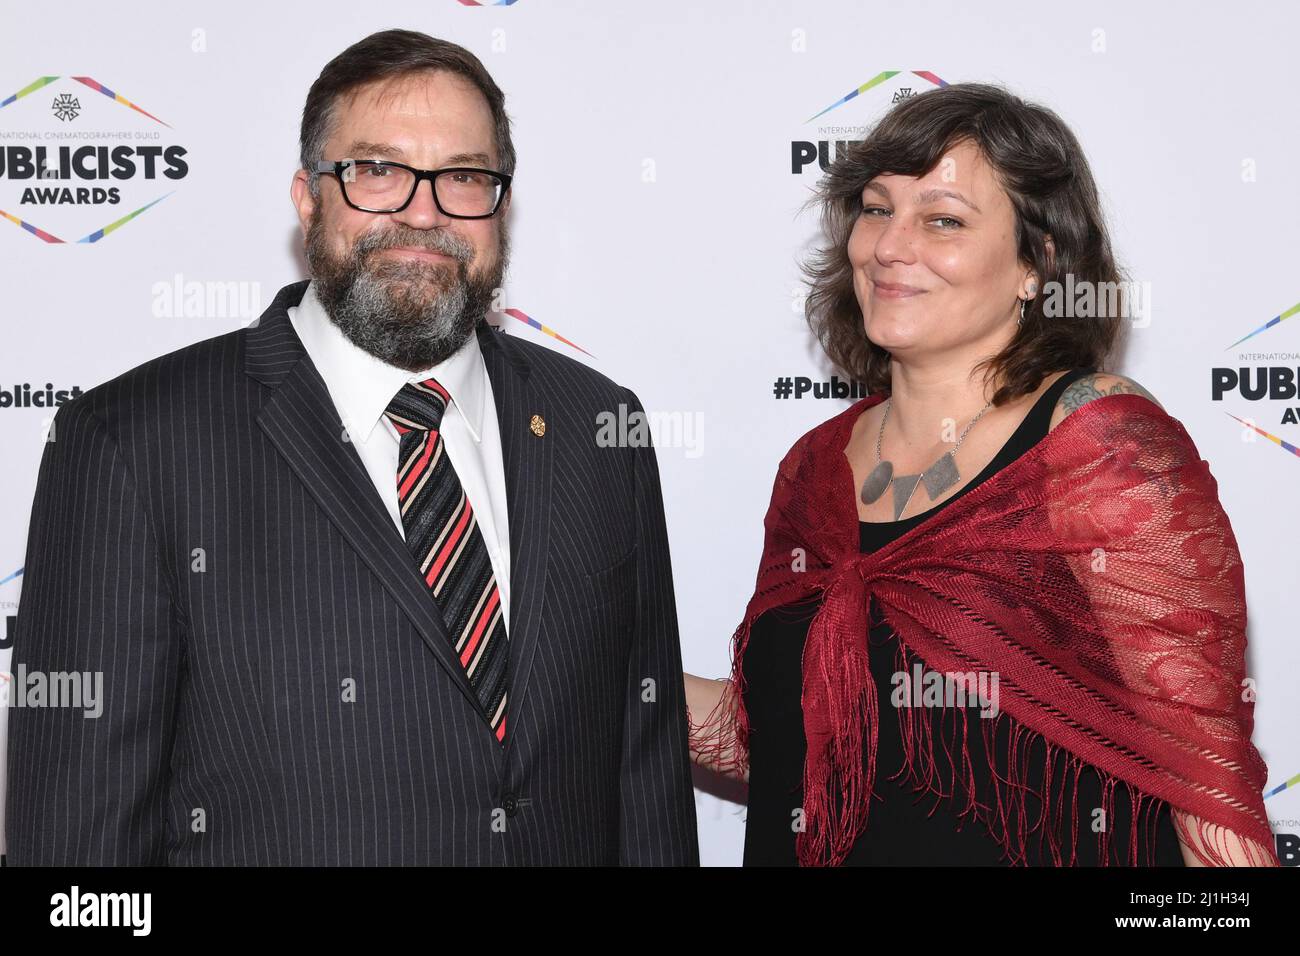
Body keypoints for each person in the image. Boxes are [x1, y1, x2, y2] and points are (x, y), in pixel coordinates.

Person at [6, 29, 698, 866]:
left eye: (464, 176)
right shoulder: (131, 444)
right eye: (376, 170)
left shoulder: (600, 425)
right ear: (307, 197)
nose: (423, 210)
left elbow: (646, 772)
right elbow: (79, 851)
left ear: (500, 205)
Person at [685, 83, 1278, 867]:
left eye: (943, 219)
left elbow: (1208, 795)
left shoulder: (1095, 444)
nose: (890, 246)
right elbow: (789, 744)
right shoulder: (814, 468)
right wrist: (600, 663)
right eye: (875, 207)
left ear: (1041, 261)